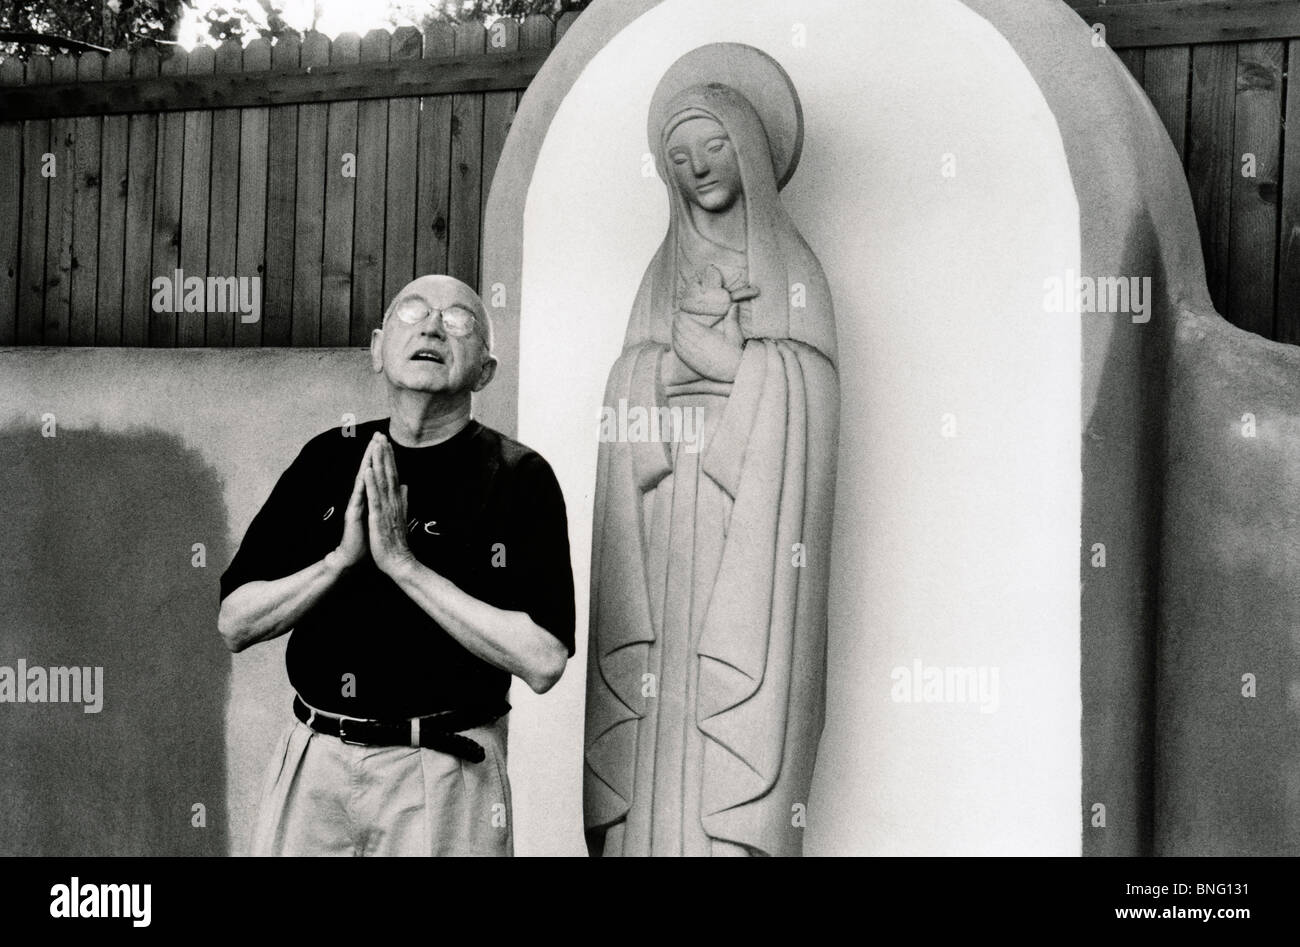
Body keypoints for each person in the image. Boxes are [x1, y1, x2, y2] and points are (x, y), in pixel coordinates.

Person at [218, 274, 575, 857]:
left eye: (459, 321)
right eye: (413, 313)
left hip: (440, 773)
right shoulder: (327, 458)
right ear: (377, 351)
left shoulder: (517, 477)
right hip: (316, 763)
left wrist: (405, 568)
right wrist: (340, 562)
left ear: (485, 371)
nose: (433, 326)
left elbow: (542, 659)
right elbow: (235, 622)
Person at [584, 69, 839, 857]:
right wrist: (662, 371)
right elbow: (624, 391)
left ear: (751, 152)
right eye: (679, 154)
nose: (697, 167)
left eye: (714, 145)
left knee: (725, 699)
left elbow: (816, 397)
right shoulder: (657, 276)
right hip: (661, 526)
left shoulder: (794, 269)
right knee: (657, 690)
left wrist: (739, 368)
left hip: (749, 532)